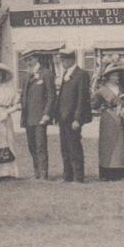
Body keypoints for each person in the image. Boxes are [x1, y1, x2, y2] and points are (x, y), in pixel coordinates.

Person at [54, 52, 92, 183]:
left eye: (64, 60)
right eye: (61, 60)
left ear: (71, 60)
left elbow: (82, 98)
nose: (62, 63)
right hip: (63, 117)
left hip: (72, 118)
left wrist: (77, 119)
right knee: (65, 147)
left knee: (74, 146)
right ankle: (67, 175)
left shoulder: (81, 74)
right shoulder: (66, 74)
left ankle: (78, 177)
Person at [91, 62, 124, 181]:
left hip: (119, 118)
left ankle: (121, 171)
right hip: (108, 118)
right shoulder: (102, 90)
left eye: (117, 75)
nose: (116, 77)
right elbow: (94, 105)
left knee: (120, 144)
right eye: (113, 75)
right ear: (108, 76)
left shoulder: (122, 89)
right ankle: (107, 171)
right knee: (107, 144)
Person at [19, 54, 55, 180]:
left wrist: (46, 113)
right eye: (26, 60)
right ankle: (36, 173)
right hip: (28, 116)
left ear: (37, 59)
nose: (28, 62)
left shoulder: (46, 73)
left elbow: (51, 96)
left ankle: (43, 173)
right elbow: (23, 95)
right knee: (32, 145)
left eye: (30, 59)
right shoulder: (26, 76)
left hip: (40, 116)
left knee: (41, 145)